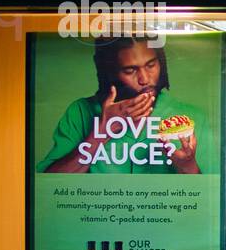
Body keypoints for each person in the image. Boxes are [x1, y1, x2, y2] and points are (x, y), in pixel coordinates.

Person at [36, 38, 200, 174]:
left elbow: (209, 198)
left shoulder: (191, 116)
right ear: (111, 71)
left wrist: (187, 166)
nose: (144, 79)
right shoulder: (80, 112)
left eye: (151, 65)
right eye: (130, 70)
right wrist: (101, 132)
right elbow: (49, 187)